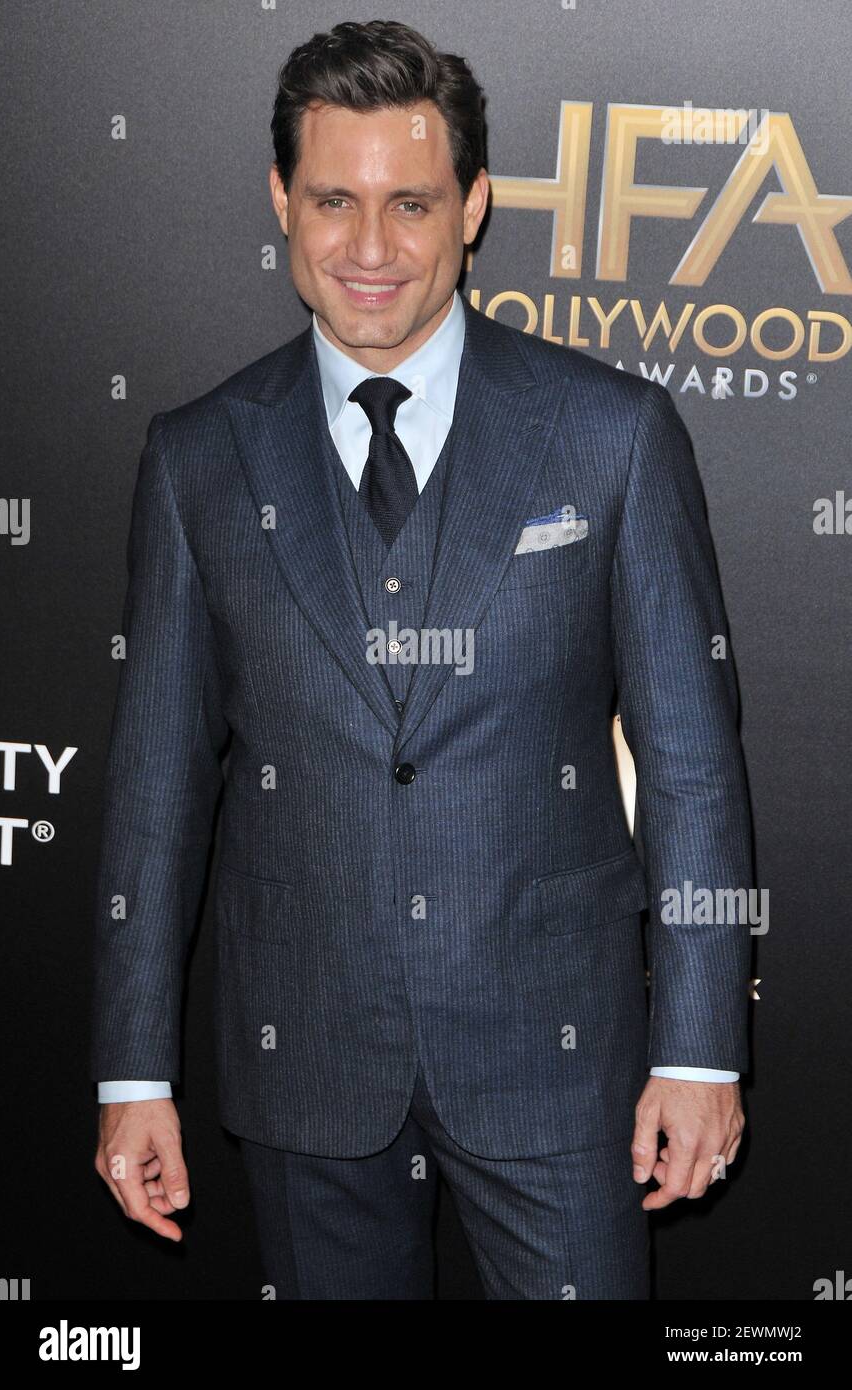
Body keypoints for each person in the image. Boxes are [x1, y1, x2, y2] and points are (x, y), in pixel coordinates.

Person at [92, 19, 752, 1300]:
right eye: (333, 200)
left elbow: (689, 768)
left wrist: (701, 1047)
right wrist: (133, 1072)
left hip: (560, 1068)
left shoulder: (610, 434)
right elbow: (156, 791)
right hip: (306, 1065)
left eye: (412, 201)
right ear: (282, 200)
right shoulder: (198, 459)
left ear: (475, 207)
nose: (371, 248)